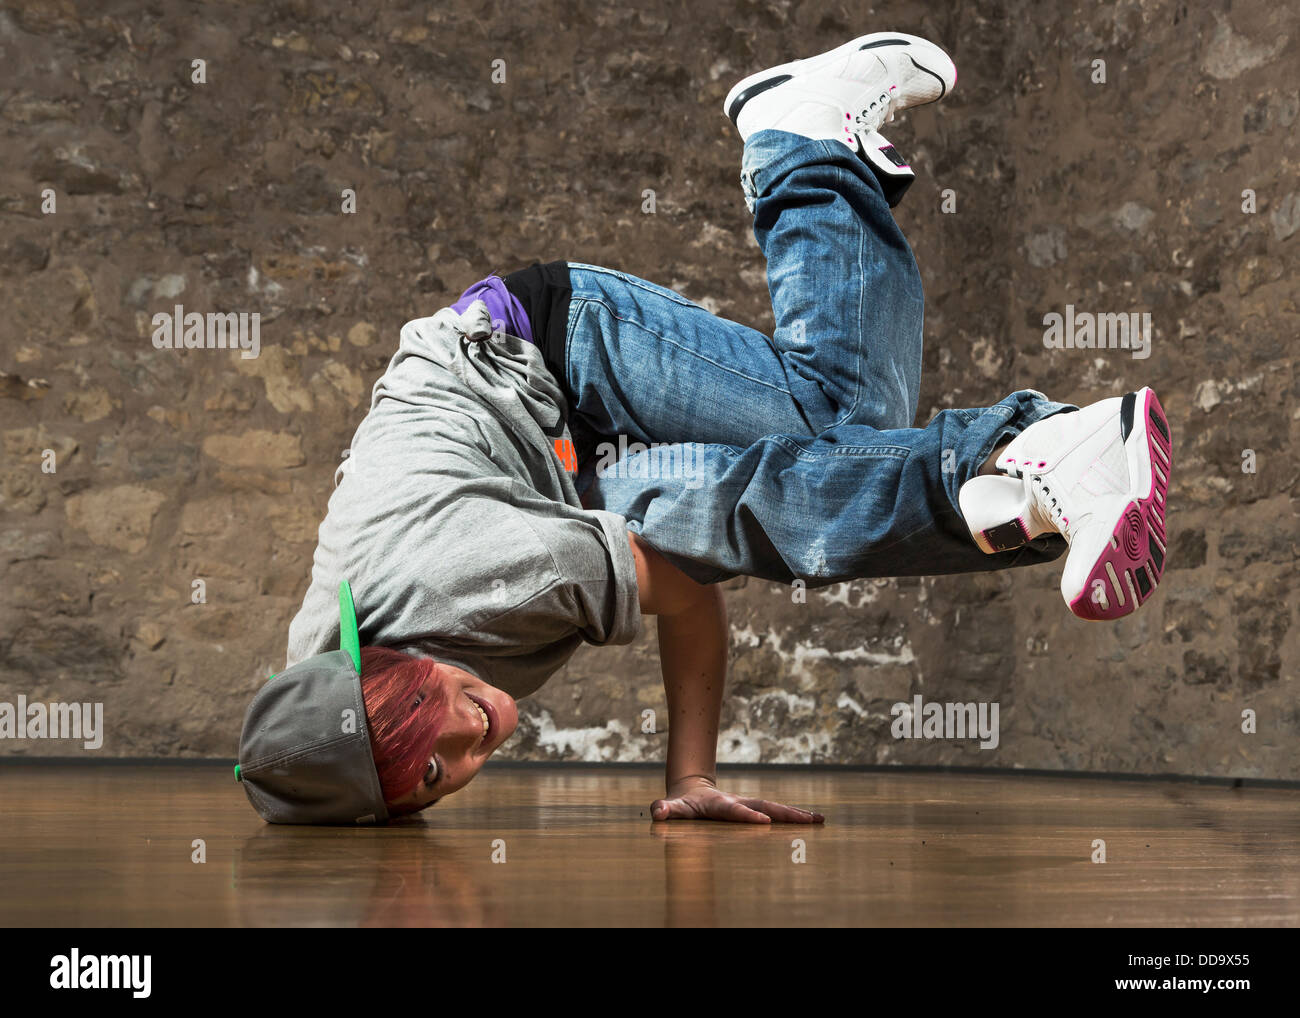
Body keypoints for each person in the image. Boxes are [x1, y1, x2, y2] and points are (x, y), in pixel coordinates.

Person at [236, 32, 1172, 826]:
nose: (466, 736)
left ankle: (801, 145)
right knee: (848, 436)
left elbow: (700, 555)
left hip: (547, 349)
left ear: (385, 666)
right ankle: (1033, 477)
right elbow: (682, 584)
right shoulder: (321, 731)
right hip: (550, 467)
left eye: (424, 715)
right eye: (429, 775)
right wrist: (692, 780)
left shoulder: (474, 578)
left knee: (822, 429)